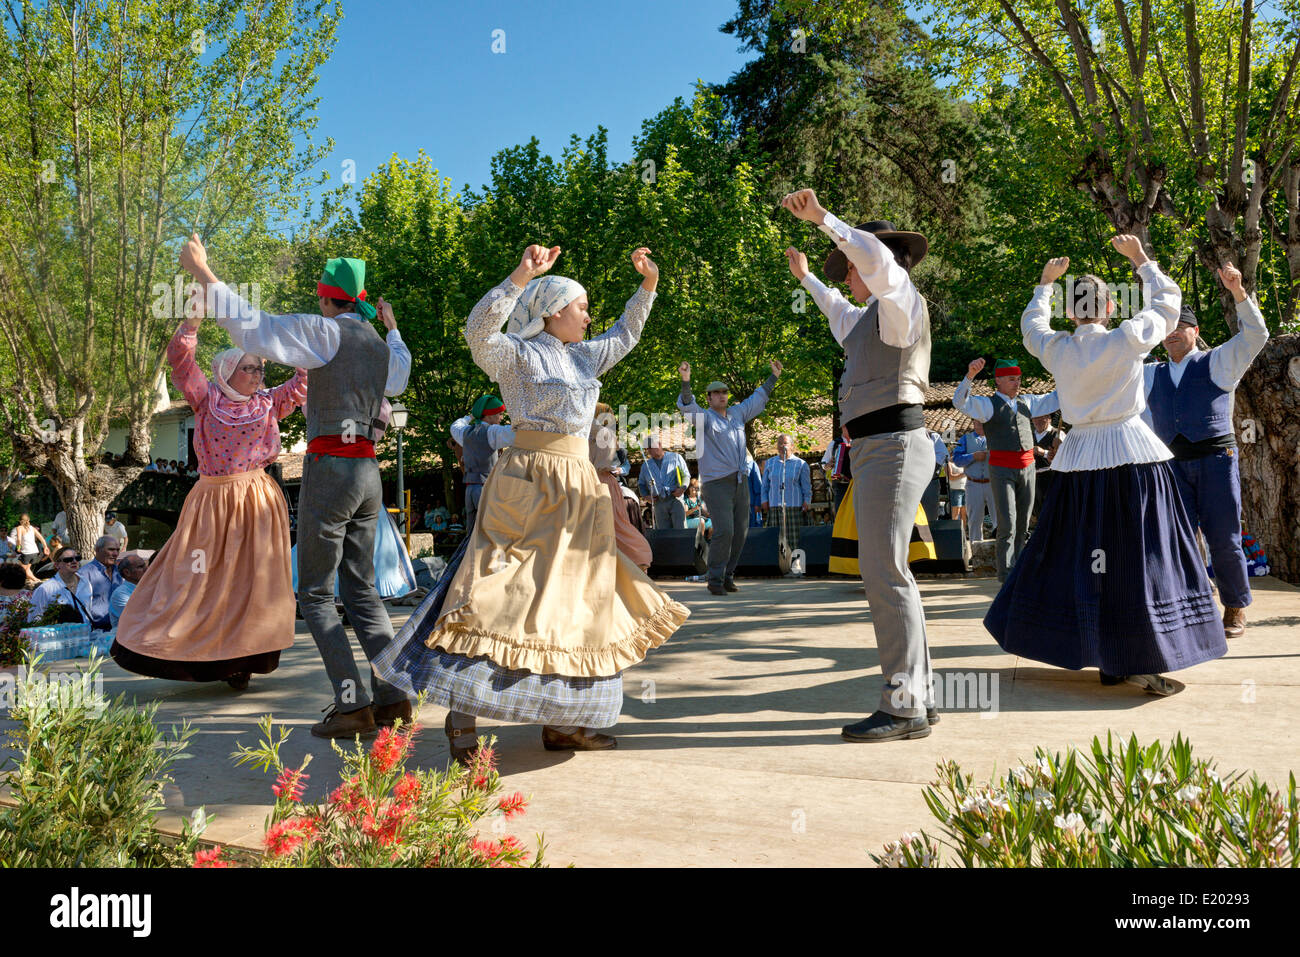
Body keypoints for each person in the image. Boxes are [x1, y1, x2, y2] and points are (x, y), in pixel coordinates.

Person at [373, 243, 689, 761]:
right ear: (553, 311)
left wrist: (648, 285)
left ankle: (566, 723)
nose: (589, 316)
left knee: (577, 604)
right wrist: (521, 274)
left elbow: (628, 333)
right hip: (528, 480)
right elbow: (479, 333)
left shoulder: (586, 356)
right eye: (582, 307)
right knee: (498, 593)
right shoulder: (517, 355)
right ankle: (462, 718)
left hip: (579, 488)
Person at [177, 235, 413, 734]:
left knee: (315, 593)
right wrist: (392, 332)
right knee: (363, 591)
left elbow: (257, 330)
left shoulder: (324, 332)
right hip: (370, 473)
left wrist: (205, 274)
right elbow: (397, 382)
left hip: (331, 467)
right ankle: (393, 694)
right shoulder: (376, 344)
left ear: (327, 301)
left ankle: (352, 705)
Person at [985, 237, 1226, 696]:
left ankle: (1103, 652)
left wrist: (1044, 286)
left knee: (1081, 556)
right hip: (1132, 455)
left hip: (1078, 461)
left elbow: (1031, 327)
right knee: (1139, 557)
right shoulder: (1127, 337)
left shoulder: (1057, 347)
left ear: (1072, 313)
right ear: (1111, 305)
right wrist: (1141, 260)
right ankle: (1138, 655)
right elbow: (1169, 305)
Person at [783, 187, 937, 742]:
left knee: (885, 572)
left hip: (893, 447)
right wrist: (807, 278)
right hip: (878, 450)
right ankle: (917, 696)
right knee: (891, 572)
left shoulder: (900, 302)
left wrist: (824, 219)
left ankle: (904, 706)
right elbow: (838, 310)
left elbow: (876, 263)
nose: (847, 276)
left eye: (849, 267)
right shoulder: (870, 317)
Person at [112, 303, 308, 689]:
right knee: (197, 575)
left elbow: (303, 380)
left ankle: (245, 658)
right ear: (227, 372)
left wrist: (297, 341)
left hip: (257, 499)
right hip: (212, 500)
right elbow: (181, 360)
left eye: (260, 368)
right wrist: (194, 321)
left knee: (254, 580)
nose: (258, 374)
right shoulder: (206, 399)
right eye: (249, 368)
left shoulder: (269, 402)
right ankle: (186, 652)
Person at [1142, 264, 1269, 641]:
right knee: (1177, 537)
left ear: (1195, 332)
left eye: (1181, 327)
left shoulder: (1218, 361)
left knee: (1224, 537)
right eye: (1167, 329)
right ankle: (1196, 600)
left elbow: (1257, 334)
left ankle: (1235, 605)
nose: (1173, 334)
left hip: (1216, 460)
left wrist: (1239, 292)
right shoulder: (1149, 373)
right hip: (1173, 466)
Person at [677, 361, 781, 594]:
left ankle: (727, 575)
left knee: (740, 532)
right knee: (725, 529)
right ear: (709, 398)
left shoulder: (737, 414)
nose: (722, 396)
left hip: (740, 481)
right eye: (716, 393)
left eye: (724, 392)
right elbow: (687, 405)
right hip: (716, 484)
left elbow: (757, 397)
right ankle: (714, 579)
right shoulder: (704, 418)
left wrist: (773, 377)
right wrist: (686, 381)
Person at [953, 358, 1060, 581]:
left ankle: (1020, 571)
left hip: (1028, 467)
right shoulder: (986, 405)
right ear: (998, 380)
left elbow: (1055, 399)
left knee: (1022, 523)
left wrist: (1068, 373)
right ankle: (1006, 574)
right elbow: (959, 402)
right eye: (1012, 379)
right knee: (1008, 522)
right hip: (1002, 469)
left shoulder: (1027, 401)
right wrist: (970, 375)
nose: (1017, 383)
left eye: (1018, 379)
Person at [592, 402, 652, 571]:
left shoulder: (587, 434)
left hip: (593, 480)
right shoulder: (606, 435)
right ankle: (638, 558)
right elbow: (604, 463)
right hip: (603, 481)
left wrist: (618, 469)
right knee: (616, 523)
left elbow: (621, 467)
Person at [452, 394, 509, 533]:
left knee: (471, 535)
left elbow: (455, 425)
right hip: (485, 488)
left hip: (470, 490)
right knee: (490, 533)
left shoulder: (465, 432)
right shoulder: (493, 431)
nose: (501, 418)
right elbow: (519, 434)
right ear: (489, 415)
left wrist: (471, 417)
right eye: (499, 414)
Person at [761, 434, 812, 560]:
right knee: (776, 537)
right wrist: (764, 500)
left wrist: (807, 501)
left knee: (793, 538)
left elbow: (806, 487)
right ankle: (778, 565)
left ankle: (796, 565)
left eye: (785, 443)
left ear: (792, 446)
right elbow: (765, 486)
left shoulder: (801, 464)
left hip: (793, 507)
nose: (782, 446)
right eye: (779, 443)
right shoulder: (770, 463)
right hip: (774, 506)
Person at [30, 546, 94, 624]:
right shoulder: (45, 589)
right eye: (68, 560)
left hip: (87, 633)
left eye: (77, 558)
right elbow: (34, 620)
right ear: (57, 565)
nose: (74, 561)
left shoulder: (86, 583)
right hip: (60, 634)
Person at [638, 434, 689, 529]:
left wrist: (682, 488)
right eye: (647, 448)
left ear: (659, 444)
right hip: (659, 503)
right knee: (663, 534)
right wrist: (646, 496)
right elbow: (641, 484)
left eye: (650, 447)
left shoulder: (675, 458)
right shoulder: (645, 466)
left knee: (680, 531)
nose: (648, 450)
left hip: (675, 499)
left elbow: (686, 475)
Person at [952, 421, 993, 542]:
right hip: (973, 484)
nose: (980, 424)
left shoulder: (995, 437)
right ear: (973, 423)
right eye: (977, 421)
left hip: (993, 483)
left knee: (998, 519)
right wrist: (973, 456)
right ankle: (976, 552)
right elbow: (957, 460)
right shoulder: (965, 439)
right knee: (974, 520)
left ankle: (999, 552)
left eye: (983, 422)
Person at [80, 536, 122, 632]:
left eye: (117, 550)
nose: (115, 553)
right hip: (97, 631)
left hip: (121, 629)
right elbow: (81, 607)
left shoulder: (120, 572)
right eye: (111, 549)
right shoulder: (85, 573)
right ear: (97, 550)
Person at [1031, 413, 1061, 520]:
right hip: (1033, 478)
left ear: (1049, 418)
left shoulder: (1057, 434)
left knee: (1051, 510)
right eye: (1035, 418)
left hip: (1051, 477)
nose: (1037, 421)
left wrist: (1043, 452)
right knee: (1037, 510)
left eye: (1041, 417)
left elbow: (1065, 455)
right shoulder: (1029, 436)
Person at [110, 554, 149, 628]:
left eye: (145, 565)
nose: (146, 569)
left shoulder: (148, 588)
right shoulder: (120, 594)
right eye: (140, 567)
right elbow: (139, 620)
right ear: (127, 572)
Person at [821, 428, 852, 518]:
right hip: (840, 483)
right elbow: (824, 465)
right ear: (843, 427)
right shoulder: (835, 443)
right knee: (841, 512)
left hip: (856, 482)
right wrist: (829, 464)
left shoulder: (858, 441)